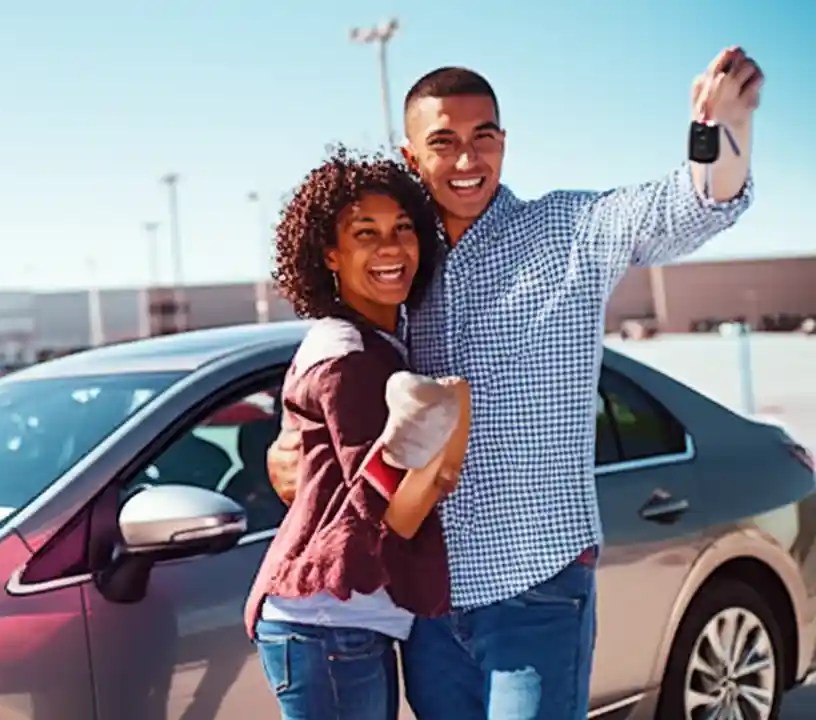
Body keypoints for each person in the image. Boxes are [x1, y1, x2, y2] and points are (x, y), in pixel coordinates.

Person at [265, 47, 764, 719]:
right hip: (430, 607)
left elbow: (684, 208)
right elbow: (339, 386)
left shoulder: (565, 231)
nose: (467, 160)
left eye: (484, 138)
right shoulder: (401, 266)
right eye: (444, 142)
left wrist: (722, 136)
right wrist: (289, 448)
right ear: (412, 157)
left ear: (504, 144)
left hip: (537, 585)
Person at [244, 146, 473, 719]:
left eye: (402, 229)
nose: (392, 247)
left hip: (339, 624)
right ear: (329, 254)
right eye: (365, 233)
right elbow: (390, 511)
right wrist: (452, 423)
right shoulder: (349, 355)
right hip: (327, 625)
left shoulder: (366, 341)